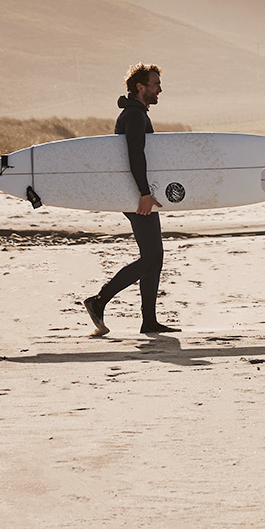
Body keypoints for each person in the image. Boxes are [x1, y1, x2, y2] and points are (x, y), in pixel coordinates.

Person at [81, 64, 180, 336]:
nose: (159, 88)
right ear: (140, 87)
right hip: (137, 194)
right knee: (152, 257)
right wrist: (144, 194)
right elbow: (135, 155)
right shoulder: (134, 116)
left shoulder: (134, 114)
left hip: (135, 192)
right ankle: (99, 300)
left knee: (152, 256)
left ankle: (149, 321)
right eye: (155, 83)